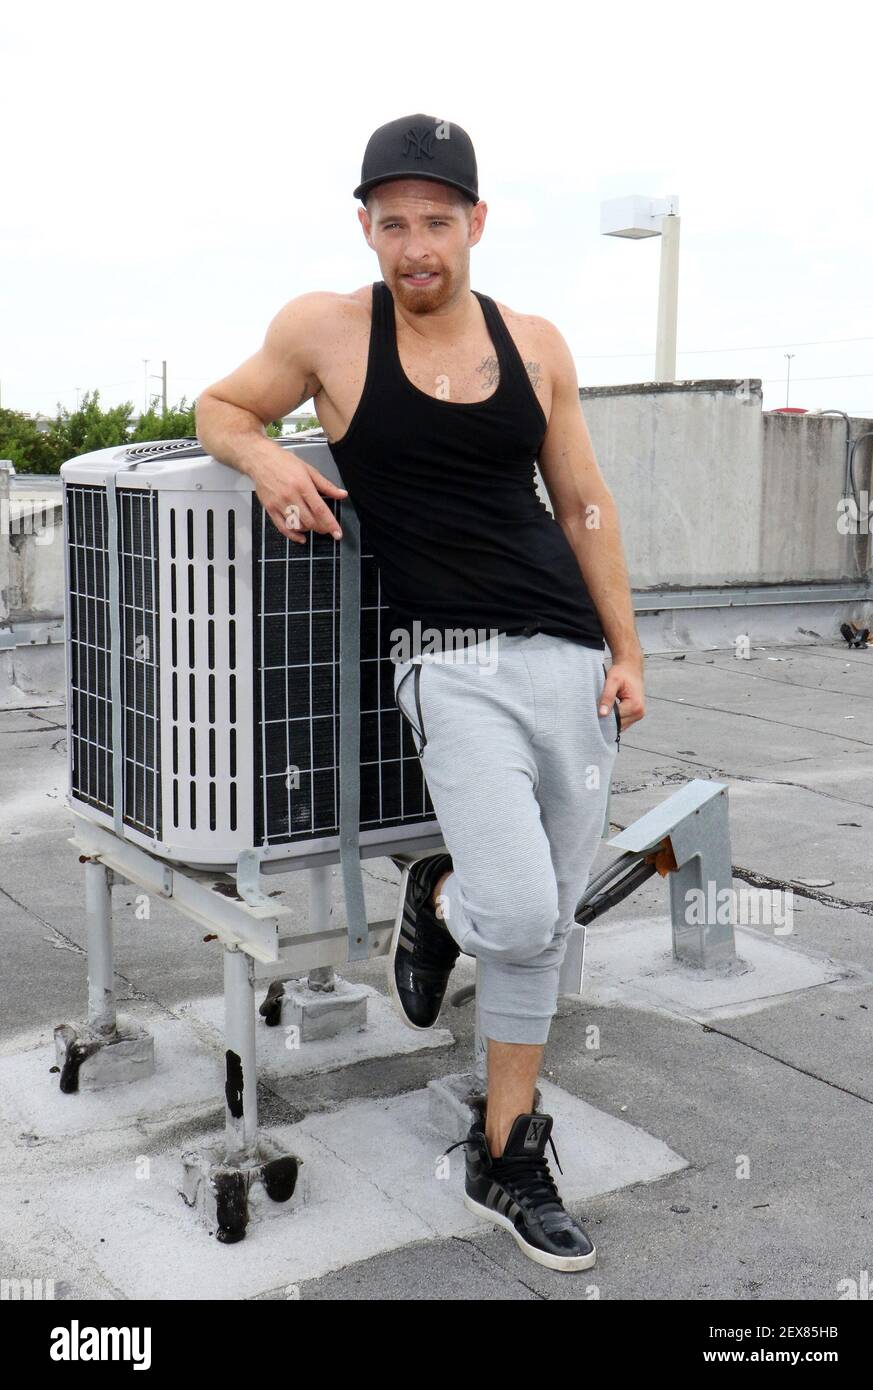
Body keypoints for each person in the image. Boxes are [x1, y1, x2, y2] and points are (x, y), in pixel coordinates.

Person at [195, 112, 646, 1274]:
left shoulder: (536, 343)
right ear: (367, 226)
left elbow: (585, 501)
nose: (415, 245)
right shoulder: (326, 332)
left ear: (476, 222)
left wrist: (626, 650)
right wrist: (266, 455)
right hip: (447, 659)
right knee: (526, 913)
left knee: (546, 926)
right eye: (392, 221)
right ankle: (444, 901)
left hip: (569, 654)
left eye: (436, 220)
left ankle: (507, 1150)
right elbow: (219, 406)